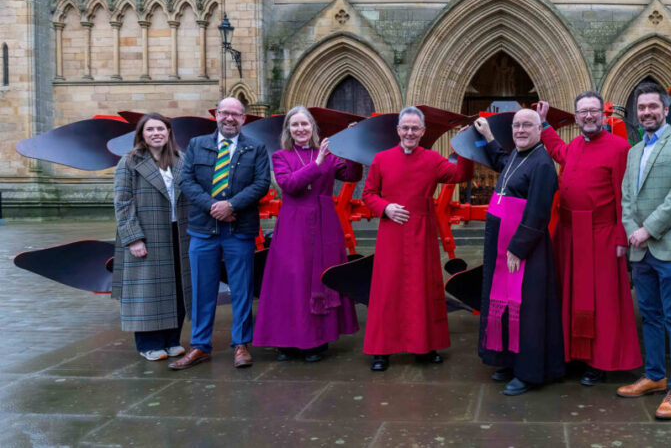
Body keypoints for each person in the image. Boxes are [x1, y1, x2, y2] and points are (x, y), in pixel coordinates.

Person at [537, 95, 641, 386]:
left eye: (593, 110)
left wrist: (623, 236)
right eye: (583, 112)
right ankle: (574, 354)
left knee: (602, 301)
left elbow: (626, 198)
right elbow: (558, 150)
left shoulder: (620, 148)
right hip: (569, 235)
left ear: (602, 113)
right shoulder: (575, 146)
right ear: (576, 116)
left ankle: (600, 361)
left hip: (602, 236)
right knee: (568, 297)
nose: (589, 116)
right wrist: (544, 124)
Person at [361, 106, 474, 371]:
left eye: (415, 128)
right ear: (398, 130)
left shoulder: (433, 159)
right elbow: (368, 194)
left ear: (423, 132)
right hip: (392, 231)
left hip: (422, 232)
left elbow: (461, 175)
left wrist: (464, 145)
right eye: (405, 128)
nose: (410, 132)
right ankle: (382, 350)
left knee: (423, 288)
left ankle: (424, 346)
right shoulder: (381, 159)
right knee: (387, 290)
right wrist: (385, 208)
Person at [619, 82, 671, 420]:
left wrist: (647, 230)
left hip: (668, 247)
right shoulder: (634, 151)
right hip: (641, 250)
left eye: (653, 107)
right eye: (642, 108)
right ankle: (655, 376)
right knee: (650, 315)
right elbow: (627, 198)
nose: (647, 113)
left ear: (666, 110)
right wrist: (631, 232)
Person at [253, 106, 361, 362]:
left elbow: (351, 174)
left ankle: (316, 340)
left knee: (320, 277)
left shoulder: (328, 152)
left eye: (305, 124)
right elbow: (290, 185)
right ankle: (286, 341)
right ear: (289, 130)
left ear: (313, 128)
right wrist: (318, 163)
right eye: (295, 125)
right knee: (292, 279)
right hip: (294, 222)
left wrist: (352, 146)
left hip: (324, 222)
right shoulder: (280, 156)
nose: (301, 129)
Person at [170, 97, 271, 370]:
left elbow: (262, 183)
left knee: (242, 289)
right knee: (203, 290)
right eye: (225, 113)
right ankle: (200, 346)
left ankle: (240, 345)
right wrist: (213, 207)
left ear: (244, 119)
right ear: (216, 115)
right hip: (204, 230)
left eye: (235, 115)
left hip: (239, 230)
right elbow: (186, 180)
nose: (229, 118)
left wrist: (232, 205)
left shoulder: (256, 148)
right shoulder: (197, 144)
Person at [473, 108, 565, 396]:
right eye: (516, 126)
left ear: (539, 130)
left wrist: (518, 248)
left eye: (527, 125)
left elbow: (539, 212)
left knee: (527, 310)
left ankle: (529, 372)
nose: (521, 130)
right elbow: (502, 161)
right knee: (506, 303)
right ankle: (510, 360)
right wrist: (487, 136)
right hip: (505, 246)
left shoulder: (543, 163)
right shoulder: (517, 154)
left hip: (527, 250)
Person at [112, 113, 192, 361]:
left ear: (169, 133)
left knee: (177, 288)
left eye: (161, 129)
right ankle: (148, 343)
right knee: (147, 290)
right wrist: (133, 237)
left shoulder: (180, 160)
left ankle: (171, 340)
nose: (156, 133)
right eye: (150, 129)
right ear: (142, 135)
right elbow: (122, 202)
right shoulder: (129, 162)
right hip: (147, 232)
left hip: (178, 232)